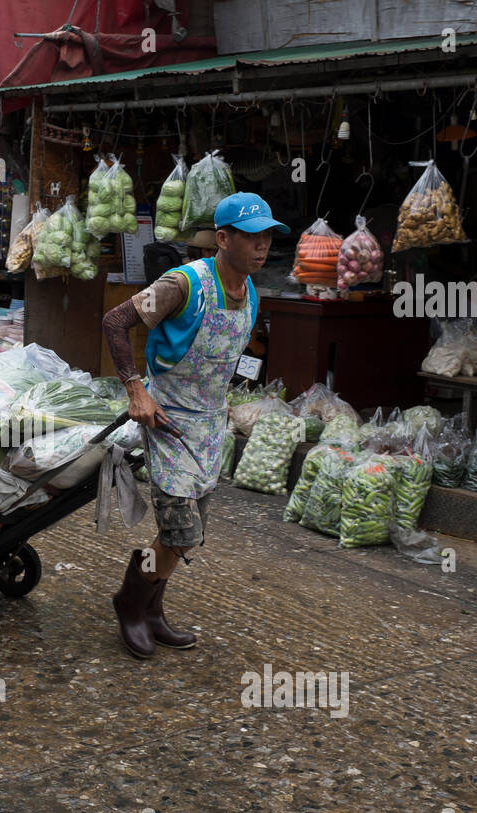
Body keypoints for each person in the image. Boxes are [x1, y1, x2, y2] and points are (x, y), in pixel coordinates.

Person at [101, 192, 286, 660]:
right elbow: (115, 322)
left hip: (209, 424)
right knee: (180, 531)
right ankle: (130, 602)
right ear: (222, 239)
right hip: (167, 418)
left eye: (267, 236)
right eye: (251, 236)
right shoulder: (183, 284)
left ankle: (153, 610)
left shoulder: (251, 291)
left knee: (185, 534)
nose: (262, 245)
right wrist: (135, 390)